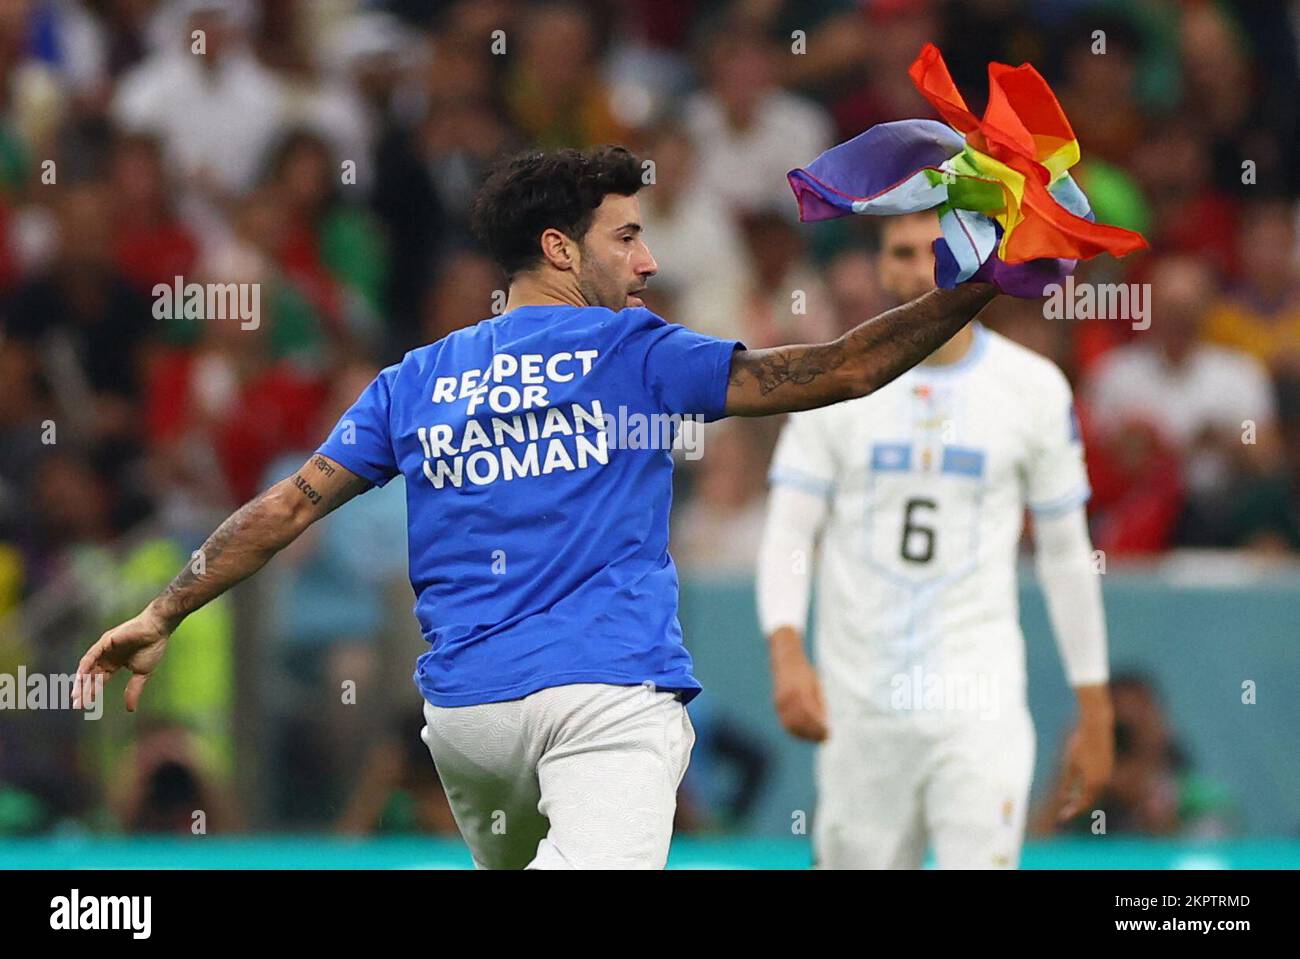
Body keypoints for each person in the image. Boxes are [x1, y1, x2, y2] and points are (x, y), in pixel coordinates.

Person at [74, 145, 999, 869]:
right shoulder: (633, 351)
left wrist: (165, 609)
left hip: (471, 727)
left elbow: (284, 507)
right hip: (606, 698)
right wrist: (992, 278)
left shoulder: (416, 379)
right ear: (560, 248)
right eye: (626, 236)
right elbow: (840, 368)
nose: (649, 258)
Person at [756, 211, 1113, 869]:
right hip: (860, 705)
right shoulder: (833, 384)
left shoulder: (1033, 389)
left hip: (978, 699)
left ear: (978, 263)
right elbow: (789, 529)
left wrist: (1094, 706)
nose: (921, 268)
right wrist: (786, 649)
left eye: (939, 252)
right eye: (902, 252)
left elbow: (1067, 554)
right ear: (881, 266)